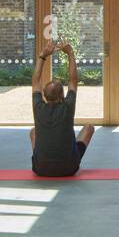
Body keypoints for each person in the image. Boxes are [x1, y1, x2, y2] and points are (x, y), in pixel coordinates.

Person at [30, 40, 94, 177]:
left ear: (44, 96)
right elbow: (73, 81)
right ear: (62, 95)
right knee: (89, 127)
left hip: (40, 169)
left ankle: (44, 160)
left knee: (33, 132)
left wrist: (42, 56)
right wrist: (70, 53)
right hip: (69, 169)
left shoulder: (38, 108)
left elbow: (35, 81)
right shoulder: (67, 106)